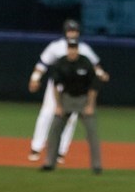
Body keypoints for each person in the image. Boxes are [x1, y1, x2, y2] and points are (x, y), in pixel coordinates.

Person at [27, 18, 109, 164]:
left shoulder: (84, 48)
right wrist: (35, 78)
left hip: (74, 87)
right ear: (65, 32)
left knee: (70, 118)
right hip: (56, 85)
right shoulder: (56, 46)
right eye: (70, 30)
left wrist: (101, 73)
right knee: (46, 114)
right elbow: (42, 63)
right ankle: (36, 147)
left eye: (75, 30)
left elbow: (95, 65)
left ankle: (61, 151)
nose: (73, 33)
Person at [40, 38, 105, 174]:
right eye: (70, 48)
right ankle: (49, 163)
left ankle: (97, 166)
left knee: (92, 132)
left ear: (77, 49)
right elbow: (56, 86)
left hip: (83, 99)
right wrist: (58, 106)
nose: (72, 51)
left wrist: (90, 105)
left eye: (74, 48)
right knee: (55, 130)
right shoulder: (61, 63)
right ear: (67, 49)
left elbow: (94, 86)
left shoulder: (85, 62)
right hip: (66, 99)